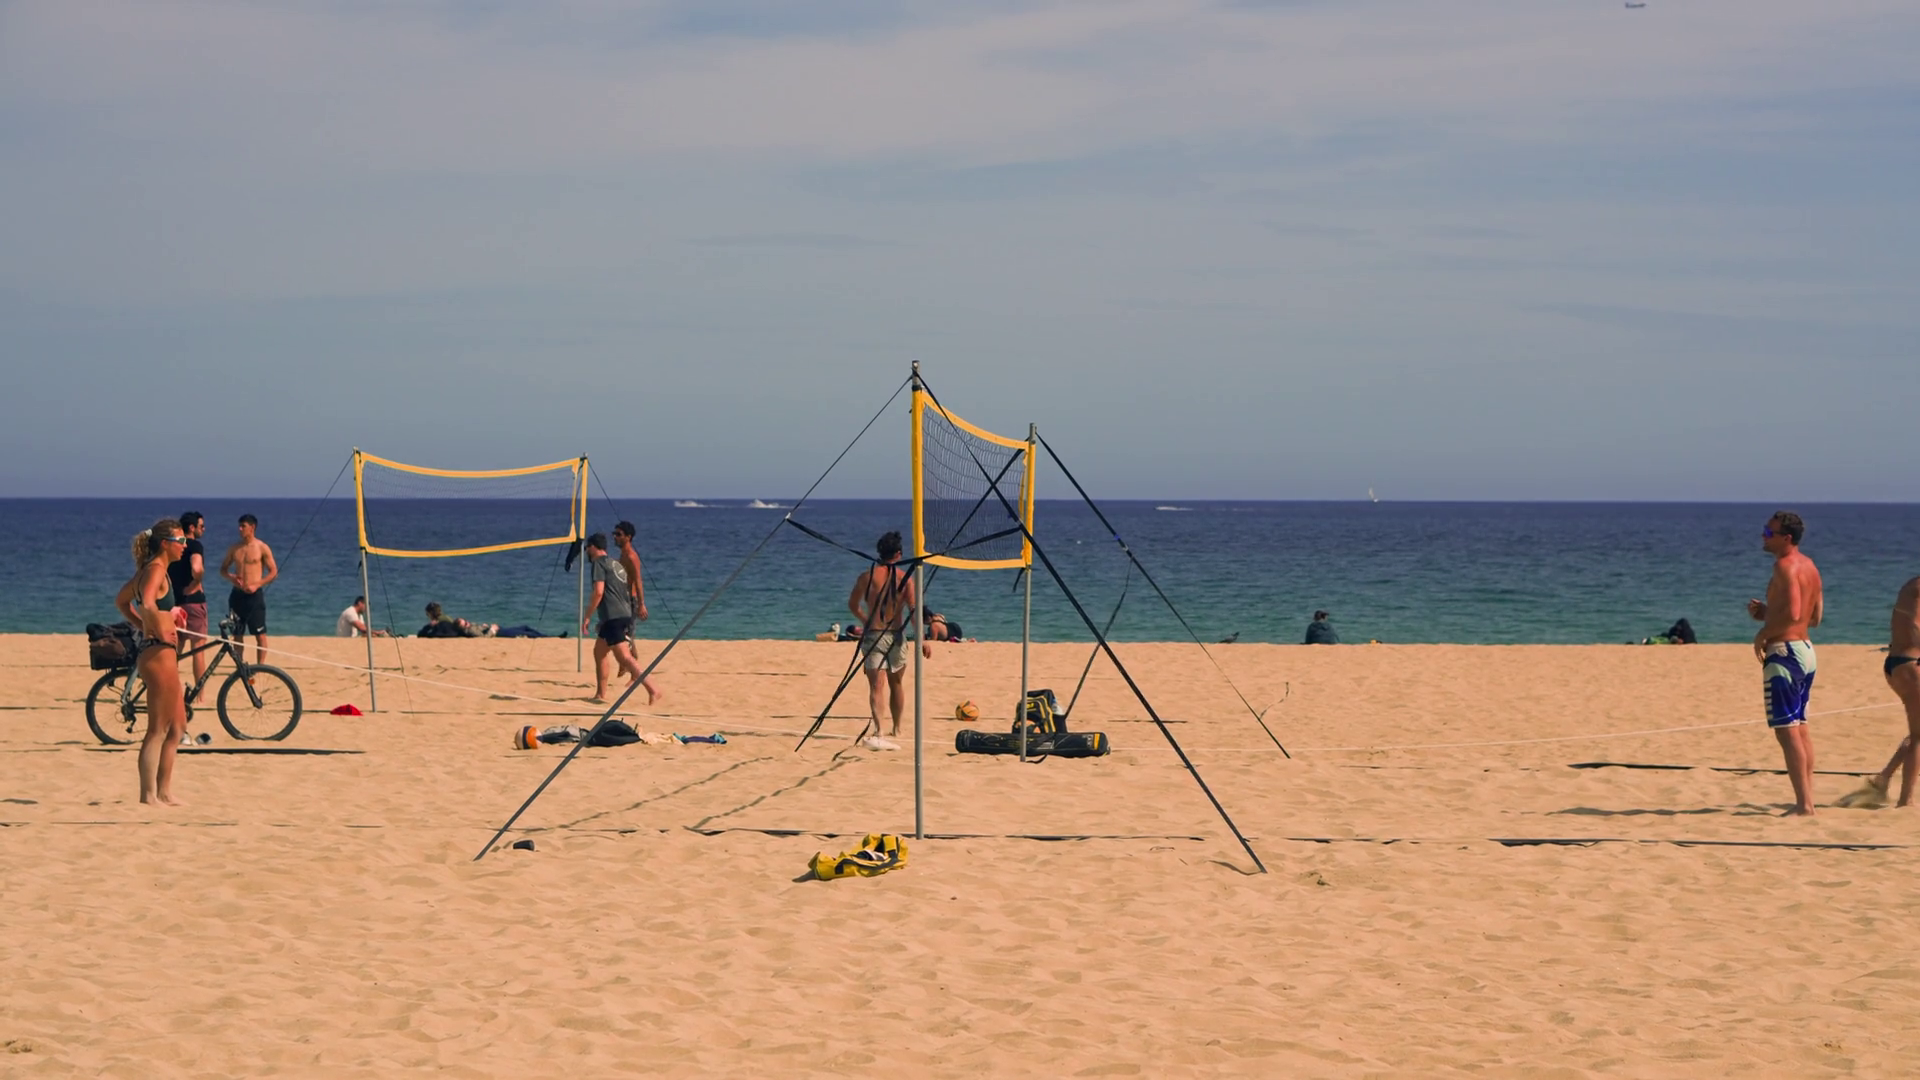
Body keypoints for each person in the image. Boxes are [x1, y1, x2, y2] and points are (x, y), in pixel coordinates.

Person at [1748, 511, 1823, 816]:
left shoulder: (1784, 566)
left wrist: (1763, 632)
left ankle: (1804, 805)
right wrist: (1768, 612)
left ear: (1786, 539)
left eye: (1769, 532)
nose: (1764, 536)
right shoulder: (1810, 567)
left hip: (1786, 653)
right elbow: (1813, 617)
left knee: (1787, 730)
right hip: (1805, 649)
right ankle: (1807, 799)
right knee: (1800, 727)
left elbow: (1793, 613)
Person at [114, 519, 189, 806]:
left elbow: (122, 602)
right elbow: (146, 603)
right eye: (180, 541)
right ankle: (148, 796)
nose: (184, 546)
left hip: (162, 652)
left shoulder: (150, 571)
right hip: (157, 654)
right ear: (165, 543)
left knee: (178, 726)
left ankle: (164, 791)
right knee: (158, 729)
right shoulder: (155, 570)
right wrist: (158, 624)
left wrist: (155, 621)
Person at [846, 531, 931, 750]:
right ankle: (897, 727)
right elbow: (914, 612)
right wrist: (922, 638)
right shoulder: (906, 578)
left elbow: (853, 606)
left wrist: (866, 620)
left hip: (874, 634)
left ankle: (879, 729)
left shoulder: (866, 577)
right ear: (899, 553)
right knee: (896, 683)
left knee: (877, 685)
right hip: (896, 635)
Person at [1857, 577, 1920, 807]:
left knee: (1917, 732)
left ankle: (1883, 779)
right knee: (1918, 737)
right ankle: (1905, 801)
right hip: (1910, 665)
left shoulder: (1911, 585)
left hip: (1898, 662)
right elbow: (1914, 627)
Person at [581, 533, 657, 705]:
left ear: (593, 547)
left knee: (624, 658)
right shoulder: (615, 564)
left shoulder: (598, 564)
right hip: (623, 613)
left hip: (613, 616)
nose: (587, 551)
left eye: (587, 547)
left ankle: (653, 689)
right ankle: (600, 695)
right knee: (599, 652)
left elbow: (599, 592)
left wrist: (587, 616)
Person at [601, 521, 662, 703]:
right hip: (624, 600)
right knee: (625, 637)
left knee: (629, 637)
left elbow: (638, 580)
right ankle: (626, 666)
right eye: (614, 533)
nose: (615, 537)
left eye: (619, 534)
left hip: (632, 601)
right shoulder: (622, 554)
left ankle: (633, 673)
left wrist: (642, 604)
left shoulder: (632, 556)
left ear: (628, 537)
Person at [219, 513, 277, 666]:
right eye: (239, 526)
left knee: (260, 634)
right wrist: (231, 578)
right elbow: (223, 569)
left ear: (252, 527)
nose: (240, 529)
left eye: (243, 526)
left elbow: (273, 572)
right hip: (237, 595)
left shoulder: (261, 547)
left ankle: (261, 665)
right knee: (237, 633)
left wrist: (258, 584)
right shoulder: (235, 549)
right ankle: (240, 664)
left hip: (254, 596)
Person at [168, 510, 209, 683]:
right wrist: (194, 583)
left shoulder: (173, 546)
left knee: (175, 650)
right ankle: (200, 695)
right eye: (202, 526)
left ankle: (170, 688)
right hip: (193, 603)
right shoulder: (193, 545)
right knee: (198, 649)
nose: (204, 529)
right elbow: (197, 568)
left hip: (174, 603)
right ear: (192, 528)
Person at [419, 602, 495, 638]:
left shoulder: (440, 623)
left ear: (431, 613)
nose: (427, 616)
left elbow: (422, 635)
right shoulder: (445, 618)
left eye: (427, 614)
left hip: (471, 632)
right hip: (474, 629)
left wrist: (429, 626)